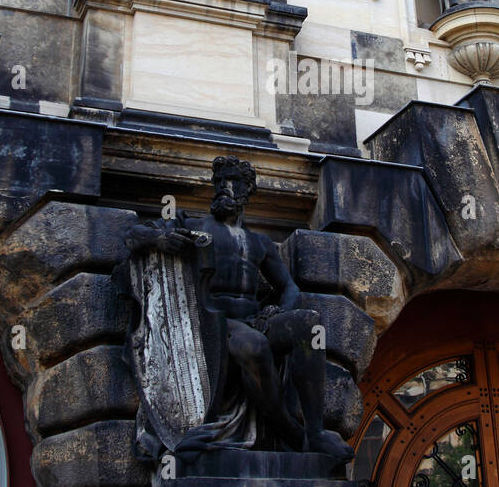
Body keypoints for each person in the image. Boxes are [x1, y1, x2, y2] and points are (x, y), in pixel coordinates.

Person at [125, 157, 354, 461]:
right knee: (255, 345)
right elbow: (131, 236)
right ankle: (289, 431)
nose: (222, 188)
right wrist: (161, 237)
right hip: (210, 327)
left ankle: (315, 432)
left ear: (247, 190)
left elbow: (290, 288)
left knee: (310, 326)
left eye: (230, 182)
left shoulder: (260, 243)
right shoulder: (192, 227)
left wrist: (278, 313)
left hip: (252, 321)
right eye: (218, 182)